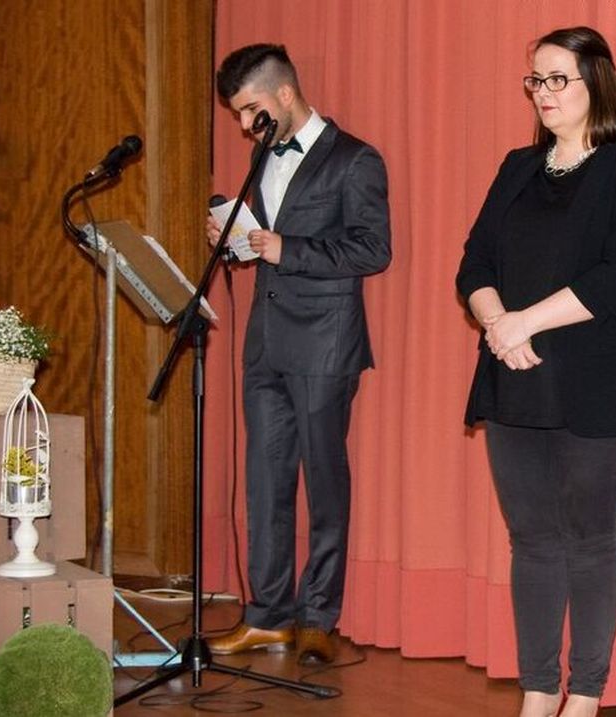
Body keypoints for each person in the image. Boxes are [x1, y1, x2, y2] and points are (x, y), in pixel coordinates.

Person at [454, 26, 616, 717]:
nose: (543, 93)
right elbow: (474, 264)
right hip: (515, 375)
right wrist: (497, 324)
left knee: (592, 537)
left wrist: (526, 321)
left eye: (557, 78)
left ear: (595, 83)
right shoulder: (518, 165)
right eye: (535, 81)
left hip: (600, 384)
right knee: (533, 541)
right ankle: (540, 690)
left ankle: (588, 692)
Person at [204, 43, 391, 664]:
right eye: (236, 114)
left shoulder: (356, 159)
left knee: (325, 483)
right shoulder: (262, 155)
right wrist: (241, 242)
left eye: (250, 108)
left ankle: (318, 616)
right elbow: (272, 246)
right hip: (265, 345)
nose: (243, 124)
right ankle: (267, 614)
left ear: (284, 94)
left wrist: (288, 248)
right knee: (265, 482)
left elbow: (372, 250)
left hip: (326, 344)